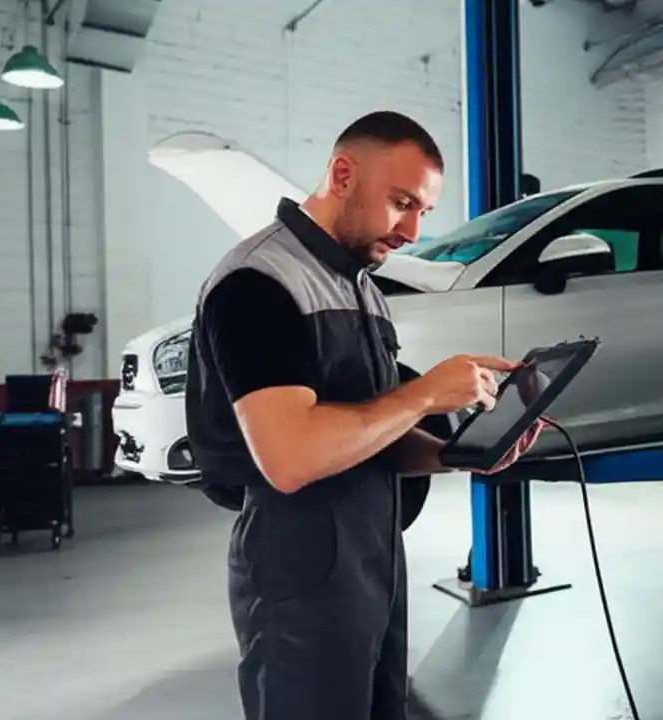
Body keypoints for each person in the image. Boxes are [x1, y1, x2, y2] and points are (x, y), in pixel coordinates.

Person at [184, 110, 544, 719]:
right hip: (296, 566)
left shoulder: (362, 287)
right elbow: (291, 458)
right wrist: (426, 395)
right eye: (401, 202)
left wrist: (455, 454)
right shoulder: (259, 283)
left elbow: (369, 427)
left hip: (375, 554)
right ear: (343, 174)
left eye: (423, 212)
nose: (411, 230)